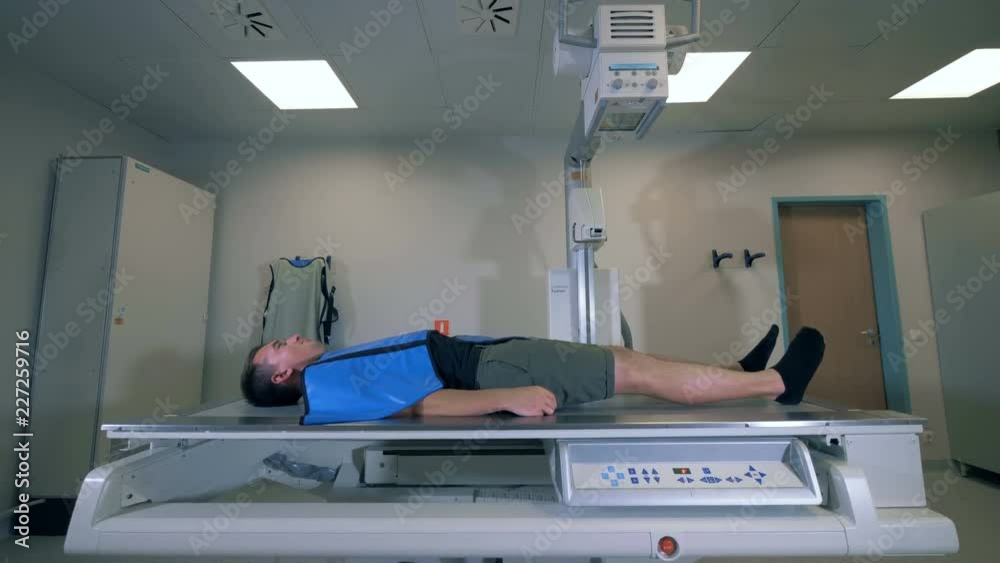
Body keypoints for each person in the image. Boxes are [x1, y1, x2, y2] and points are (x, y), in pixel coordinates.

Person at [240, 325, 824, 423]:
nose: (289, 338)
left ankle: (735, 373)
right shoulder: (325, 386)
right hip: (495, 370)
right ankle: (775, 383)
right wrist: (506, 397)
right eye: (277, 346)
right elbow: (417, 406)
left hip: (493, 356)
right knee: (633, 372)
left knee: (631, 363)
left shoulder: (329, 375)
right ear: (284, 373)